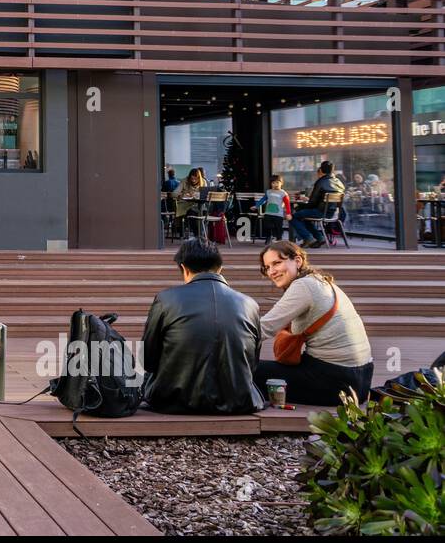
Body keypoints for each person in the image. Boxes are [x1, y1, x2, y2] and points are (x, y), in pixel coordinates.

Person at [140, 238, 266, 414]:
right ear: (220, 268)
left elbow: (147, 358)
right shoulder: (249, 303)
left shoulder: (166, 299)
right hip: (238, 400)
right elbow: (252, 362)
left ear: (184, 268)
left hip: (173, 400)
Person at [254, 241, 374, 405]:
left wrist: (218, 344)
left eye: (277, 263)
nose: (272, 271)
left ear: (297, 261)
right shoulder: (320, 282)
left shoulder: (303, 286)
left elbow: (262, 329)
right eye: (267, 267)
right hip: (361, 379)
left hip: (336, 381)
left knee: (245, 372)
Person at [288, 160, 345, 247]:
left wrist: (300, 204)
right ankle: (319, 238)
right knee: (302, 216)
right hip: (334, 213)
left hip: (320, 212)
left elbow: (312, 203)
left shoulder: (320, 182)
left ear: (321, 170)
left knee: (293, 216)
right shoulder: (339, 182)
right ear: (332, 171)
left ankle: (308, 238)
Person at [253, 174, 292, 241]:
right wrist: (256, 206)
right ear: (271, 184)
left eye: (277, 182)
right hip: (268, 213)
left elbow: (287, 204)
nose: (275, 184)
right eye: (273, 183)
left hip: (278, 214)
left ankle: (279, 238)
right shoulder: (268, 192)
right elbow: (263, 200)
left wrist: (288, 213)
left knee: (278, 227)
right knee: (267, 226)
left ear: (281, 183)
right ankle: (268, 238)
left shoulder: (283, 193)